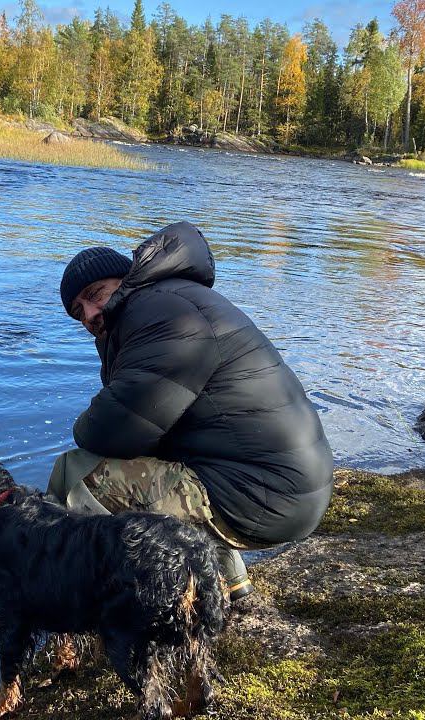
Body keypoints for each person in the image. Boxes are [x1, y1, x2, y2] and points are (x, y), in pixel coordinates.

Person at [46, 221, 334, 603]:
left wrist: (83, 428)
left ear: (125, 279)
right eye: (77, 311)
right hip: (279, 487)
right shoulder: (167, 299)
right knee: (157, 456)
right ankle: (229, 581)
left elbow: (113, 431)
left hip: (267, 498)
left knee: (79, 477)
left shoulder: (157, 313)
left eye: (95, 294)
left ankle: (68, 595)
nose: (89, 314)